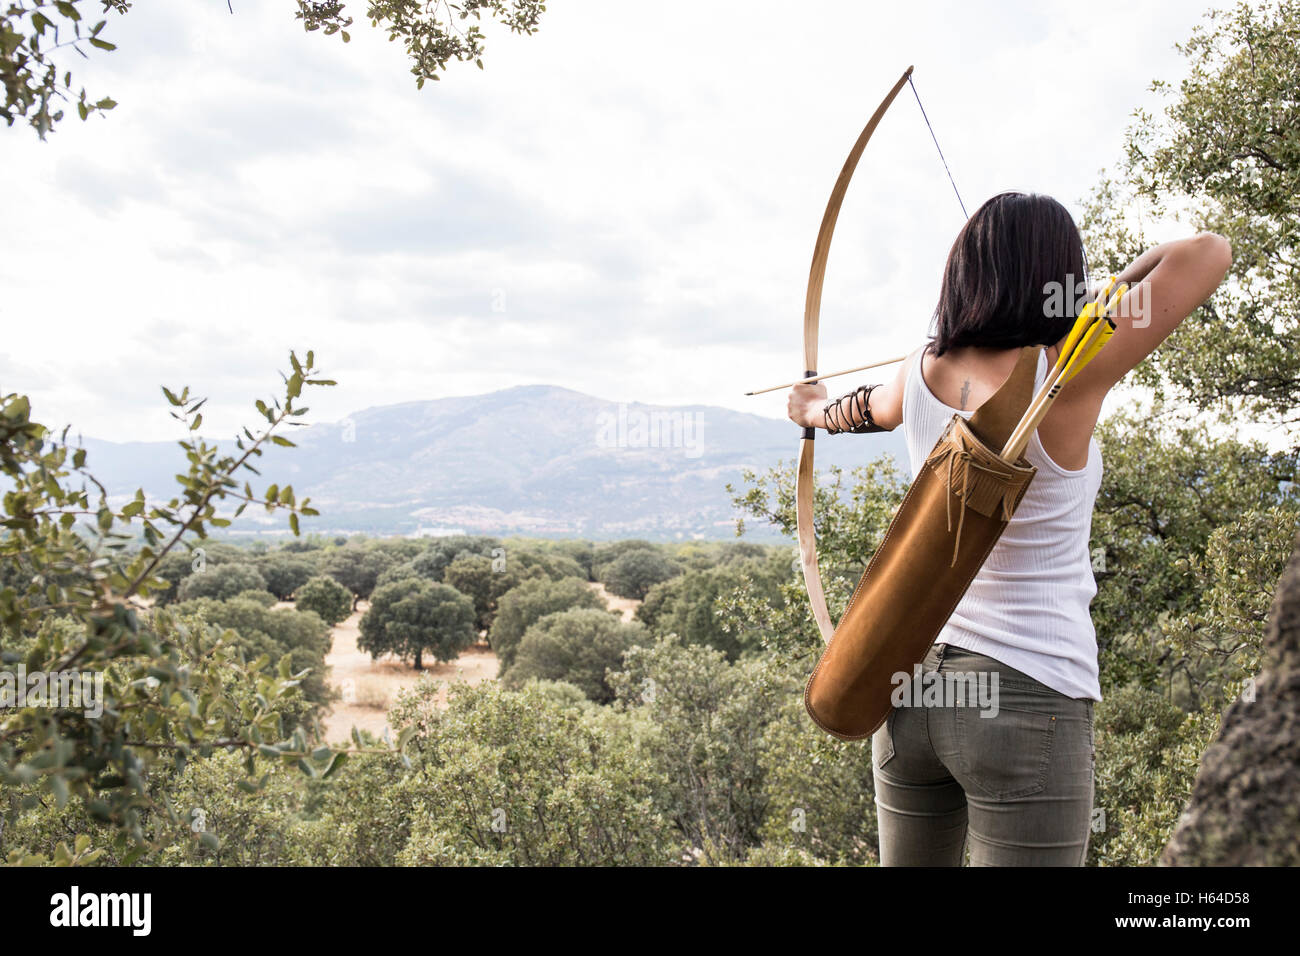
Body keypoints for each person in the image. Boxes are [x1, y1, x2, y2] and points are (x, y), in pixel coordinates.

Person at [786, 191, 1232, 866]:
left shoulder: (922, 370)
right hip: (1028, 695)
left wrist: (813, 409)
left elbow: (859, 411)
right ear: (1061, 280)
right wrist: (1099, 299)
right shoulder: (1068, 372)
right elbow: (1207, 252)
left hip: (911, 687)